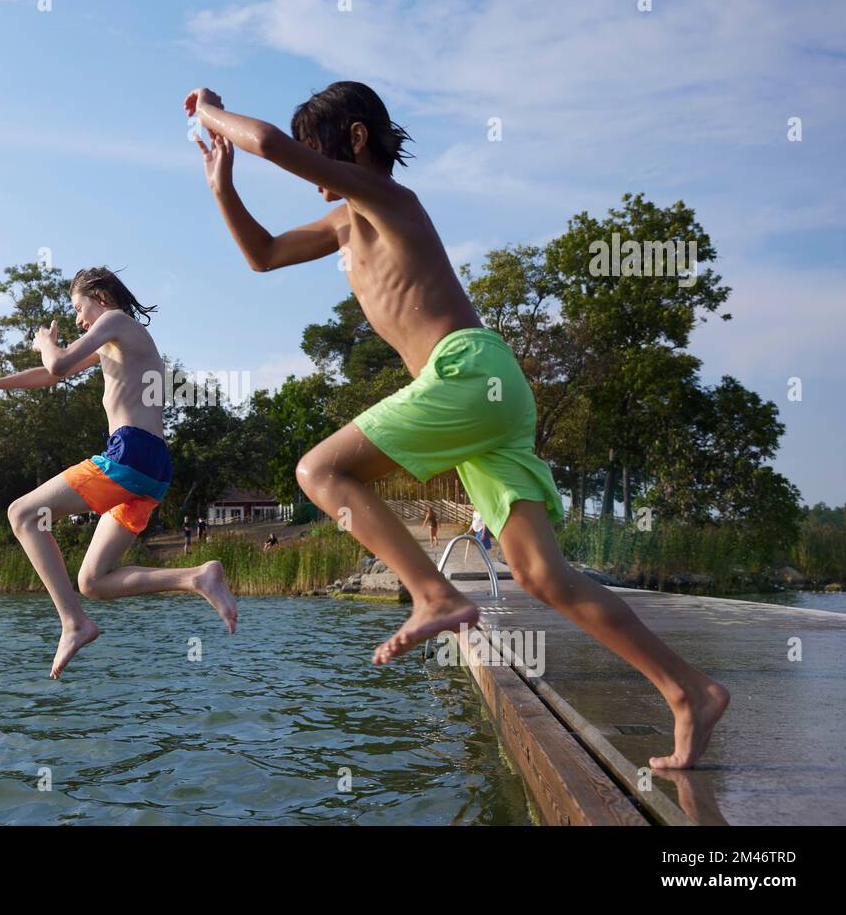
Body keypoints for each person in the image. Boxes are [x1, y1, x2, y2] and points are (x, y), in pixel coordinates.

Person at [186, 81, 728, 769]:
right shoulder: (344, 223)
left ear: (355, 138)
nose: (312, 172)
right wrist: (221, 188)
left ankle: (434, 594)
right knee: (541, 576)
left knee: (319, 470)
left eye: (318, 149)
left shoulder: (389, 199)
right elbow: (261, 254)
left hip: (466, 373)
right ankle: (690, 691)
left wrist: (208, 113)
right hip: (486, 396)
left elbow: (268, 142)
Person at [0, 266, 238, 678]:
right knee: (93, 581)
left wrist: (46, 342)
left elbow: (56, 363)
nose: (79, 320)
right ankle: (197, 577)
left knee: (22, 515)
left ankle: (73, 624)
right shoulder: (118, 340)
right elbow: (48, 376)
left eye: (79, 308)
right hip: (150, 469)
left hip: (130, 452)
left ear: (99, 294)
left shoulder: (116, 320)